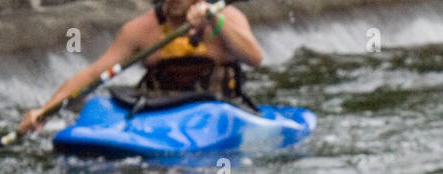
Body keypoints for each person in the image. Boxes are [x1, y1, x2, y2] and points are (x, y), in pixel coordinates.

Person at [18, 0, 263, 134]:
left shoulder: (226, 17)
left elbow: (254, 57)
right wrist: (46, 110)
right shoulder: (140, 29)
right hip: (160, 114)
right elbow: (94, 74)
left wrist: (215, 20)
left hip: (218, 111)